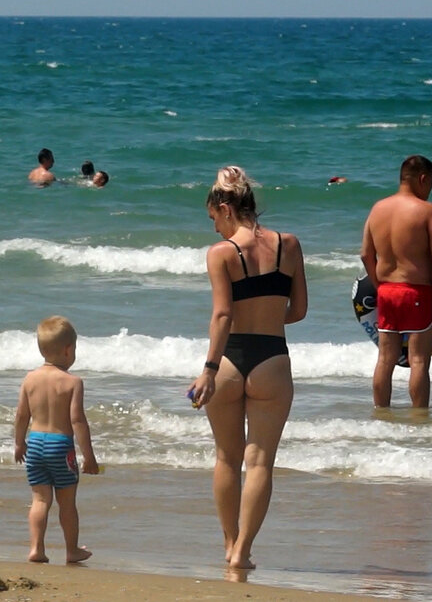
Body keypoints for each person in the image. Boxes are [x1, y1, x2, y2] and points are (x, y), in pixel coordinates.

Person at [187, 166, 307, 571]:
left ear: (225, 208)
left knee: (226, 458)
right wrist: (268, 318)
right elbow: (300, 310)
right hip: (272, 359)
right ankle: (243, 552)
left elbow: (222, 315)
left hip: (228, 362)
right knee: (259, 462)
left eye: (214, 220)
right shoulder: (289, 245)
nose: (215, 230)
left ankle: (227, 543)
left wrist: (207, 369)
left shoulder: (221, 254)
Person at [360, 155, 432, 409]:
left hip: (387, 292)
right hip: (416, 293)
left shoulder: (377, 208)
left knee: (385, 359)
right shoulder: (427, 211)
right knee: (419, 360)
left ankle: (381, 415)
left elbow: (366, 254)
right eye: (431, 182)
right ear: (422, 179)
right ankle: (419, 419)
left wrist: (379, 286)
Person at [13, 315, 99, 564]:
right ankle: (72, 550)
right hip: (61, 447)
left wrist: (19, 443)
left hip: (36, 443)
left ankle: (36, 549)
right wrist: (89, 456)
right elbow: (77, 421)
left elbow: (21, 416)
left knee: (39, 500)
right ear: (68, 350)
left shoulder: (30, 379)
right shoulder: (73, 382)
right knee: (67, 503)